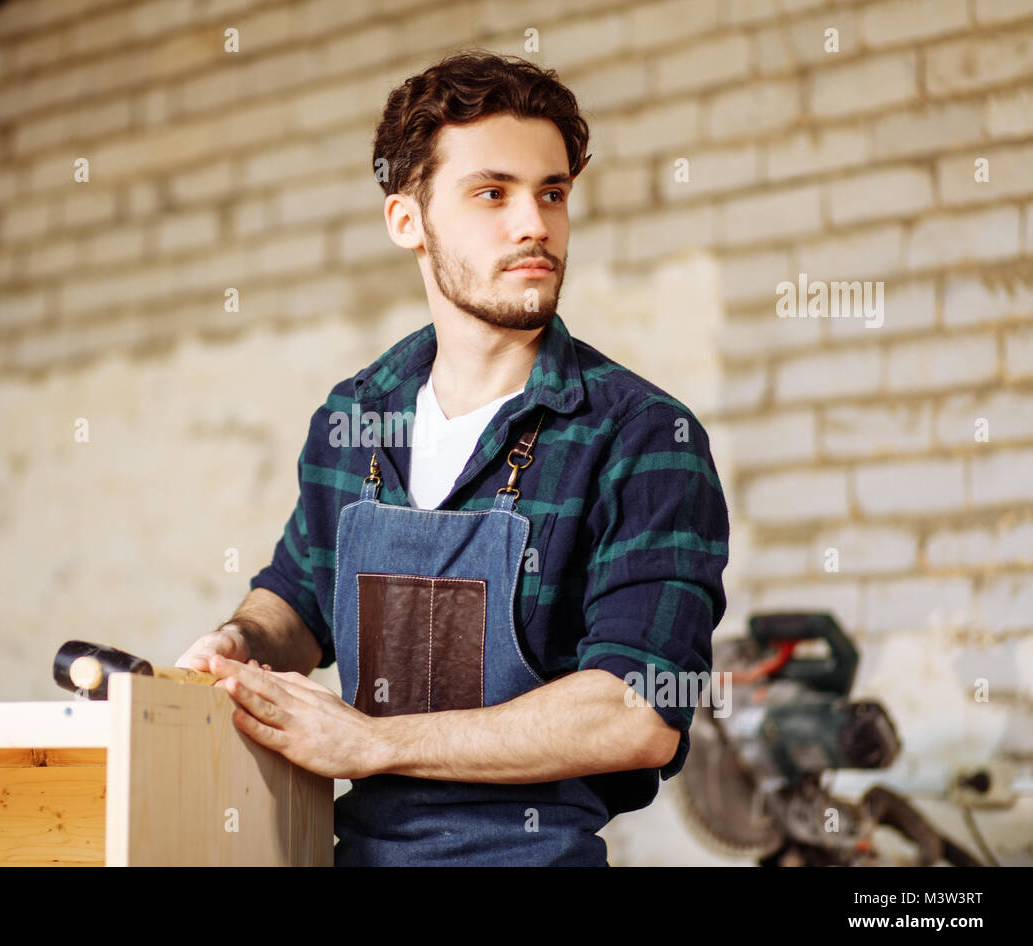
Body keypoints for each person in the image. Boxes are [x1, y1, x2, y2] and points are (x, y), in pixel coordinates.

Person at [175, 49, 730, 866]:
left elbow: (637, 712)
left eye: (552, 194)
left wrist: (372, 743)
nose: (534, 223)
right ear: (408, 221)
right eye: (491, 193)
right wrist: (239, 643)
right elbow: (297, 598)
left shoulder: (640, 437)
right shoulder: (357, 417)